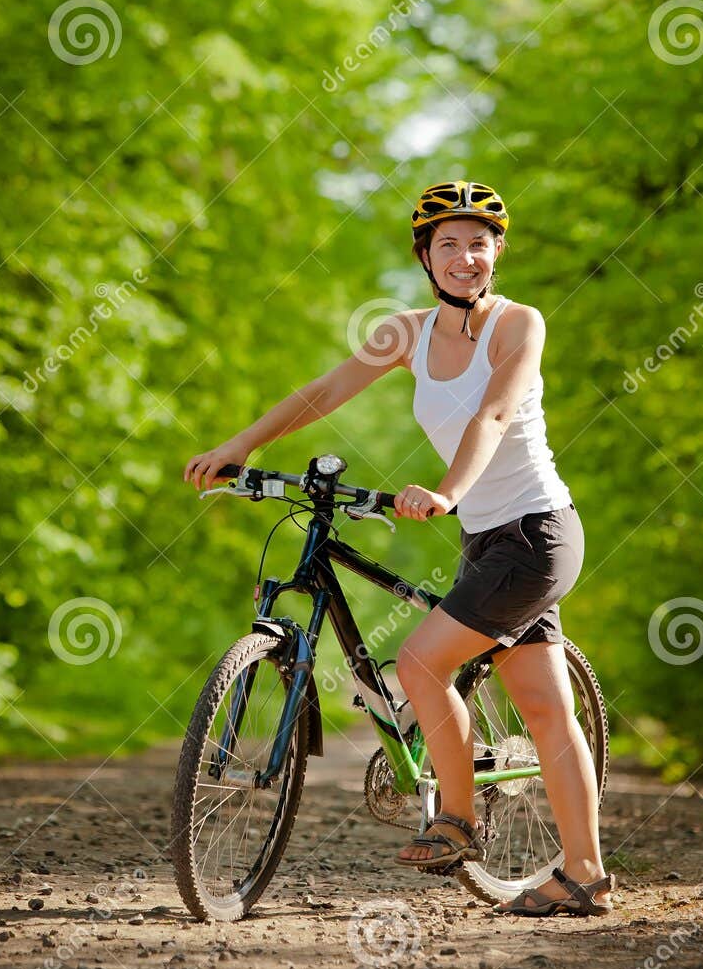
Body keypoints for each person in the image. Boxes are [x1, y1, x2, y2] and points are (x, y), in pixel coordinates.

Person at [183, 180, 613, 916]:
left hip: (537, 532)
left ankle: (457, 818)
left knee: (418, 661)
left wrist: (446, 489)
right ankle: (585, 874)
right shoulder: (406, 333)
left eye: (479, 242)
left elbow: (496, 411)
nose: (465, 256)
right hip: (488, 540)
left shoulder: (520, 324)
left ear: (497, 250)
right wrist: (241, 444)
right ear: (425, 254)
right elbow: (326, 391)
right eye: (448, 243)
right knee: (543, 706)